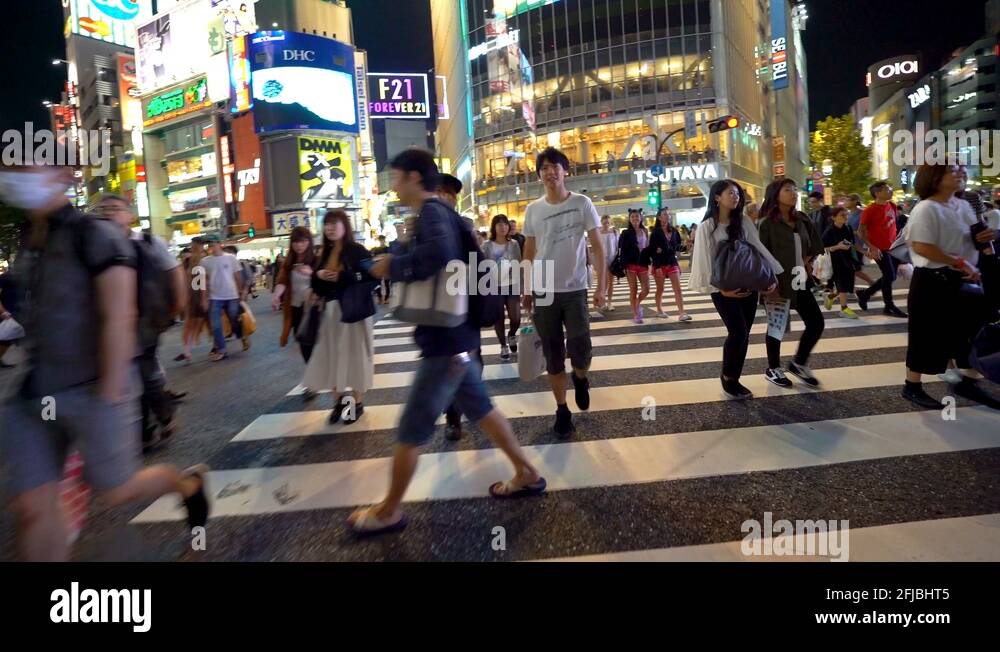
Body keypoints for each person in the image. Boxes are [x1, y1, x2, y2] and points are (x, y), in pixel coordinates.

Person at [0, 160, 209, 561]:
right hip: (33, 394)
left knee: (117, 488)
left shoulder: (92, 234)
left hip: (92, 387)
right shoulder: (29, 239)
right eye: (14, 170)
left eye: (30, 169)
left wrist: (111, 388)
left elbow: (119, 312)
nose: (18, 178)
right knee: (31, 507)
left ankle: (188, 486)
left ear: (62, 176)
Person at [354, 148, 545, 536]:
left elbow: (439, 255)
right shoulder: (435, 214)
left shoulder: (432, 211)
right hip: (456, 338)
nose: (392, 185)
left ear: (412, 177)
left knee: (411, 427)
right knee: (483, 410)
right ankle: (526, 472)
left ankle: (389, 510)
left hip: (445, 344)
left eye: (395, 177)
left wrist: (396, 265)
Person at [522, 147, 606, 438]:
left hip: (575, 288)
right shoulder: (533, 209)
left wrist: (601, 285)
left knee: (581, 347)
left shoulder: (582, 203)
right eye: (544, 168)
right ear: (539, 175)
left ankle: (580, 377)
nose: (550, 172)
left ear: (565, 171)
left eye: (555, 166)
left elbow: (597, 246)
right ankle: (562, 410)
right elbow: (529, 250)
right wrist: (526, 286)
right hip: (544, 289)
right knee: (553, 353)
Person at [901, 164, 999, 410]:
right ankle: (912, 386)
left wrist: (984, 238)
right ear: (935, 178)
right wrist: (960, 262)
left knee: (967, 332)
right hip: (932, 280)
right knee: (926, 334)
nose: (960, 174)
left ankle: (967, 381)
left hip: (962, 279)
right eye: (952, 171)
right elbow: (921, 246)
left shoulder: (962, 205)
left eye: (961, 170)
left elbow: (971, 235)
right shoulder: (926, 208)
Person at [96, 194, 187, 452]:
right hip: (114, 321)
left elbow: (174, 271)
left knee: (143, 373)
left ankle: (162, 416)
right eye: (104, 210)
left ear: (129, 215)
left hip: (146, 320)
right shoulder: (99, 244)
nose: (109, 213)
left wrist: (177, 305)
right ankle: (145, 429)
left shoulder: (148, 242)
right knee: (131, 374)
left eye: (115, 208)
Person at [690, 180, 782, 399]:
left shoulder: (743, 222)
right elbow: (703, 263)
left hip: (748, 285)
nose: (736, 197)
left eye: (738, 193)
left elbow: (758, 249)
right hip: (723, 289)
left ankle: (735, 377)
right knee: (737, 332)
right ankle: (728, 378)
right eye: (730, 193)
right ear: (717, 197)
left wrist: (774, 274)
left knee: (744, 334)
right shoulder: (707, 227)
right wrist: (720, 291)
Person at [300, 211, 375, 425]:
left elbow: (372, 276)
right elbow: (317, 288)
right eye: (327, 225)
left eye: (334, 224)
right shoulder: (323, 253)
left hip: (355, 313)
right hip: (331, 313)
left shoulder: (357, 250)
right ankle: (339, 403)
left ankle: (355, 405)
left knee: (355, 358)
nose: (330, 228)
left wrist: (343, 276)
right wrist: (318, 276)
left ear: (345, 226)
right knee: (332, 358)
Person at [758, 178, 826, 388]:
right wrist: (767, 285)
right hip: (777, 282)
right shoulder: (767, 223)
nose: (794, 193)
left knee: (816, 322)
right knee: (778, 326)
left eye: (795, 190)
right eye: (788, 190)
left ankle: (799, 362)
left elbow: (815, 245)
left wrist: (808, 261)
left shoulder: (802, 219)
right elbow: (761, 255)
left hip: (800, 278)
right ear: (775, 194)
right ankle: (773, 368)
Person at [857, 181, 907, 318]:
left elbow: (893, 227)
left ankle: (872, 297)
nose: (890, 191)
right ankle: (887, 304)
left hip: (893, 247)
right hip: (879, 249)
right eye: (887, 189)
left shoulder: (891, 205)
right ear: (877, 193)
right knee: (890, 275)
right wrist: (872, 247)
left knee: (889, 276)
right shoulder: (869, 210)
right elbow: (860, 232)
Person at [272, 226, 318, 372]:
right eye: (296, 242)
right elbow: (282, 281)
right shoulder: (288, 262)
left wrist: (312, 273)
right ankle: (313, 373)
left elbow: (325, 282)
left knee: (312, 341)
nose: (299, 245)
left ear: (309, 242)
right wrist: (276, 295)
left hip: (313, 308)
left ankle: (316, 374)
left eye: (303, 241)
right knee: (302, 341)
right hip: (295, 308)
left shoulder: (316, 261)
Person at [481, 214, 522, 361]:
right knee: (498, 318)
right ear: (494, 227)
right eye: (499, 224)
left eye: (505, 224)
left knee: (516, 318)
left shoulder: (514, 244)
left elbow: (519, 264)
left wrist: (522, 286)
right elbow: (481, 267)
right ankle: (503, 345)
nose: (503, 227)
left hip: (511, 285)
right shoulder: (486, 245)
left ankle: (512, 334)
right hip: (494, 286)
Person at [201, 235, 247, 361]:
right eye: (208, 244)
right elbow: (203, 281)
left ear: (220, 244)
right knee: (215, 324)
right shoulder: (204, 261)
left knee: (233, 318)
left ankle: (241, 334)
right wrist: (203, 298)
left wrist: (241, 291)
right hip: (214, 297)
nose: (210, 247)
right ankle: (222, 350)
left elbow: (237, 275)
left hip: (232, 295)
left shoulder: (230, 258)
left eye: (213, 244)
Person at [649, 207, 691, 321]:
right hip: (660, 264)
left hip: (672, 262)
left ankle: (682, 313)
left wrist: (684, 247)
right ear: (659, 217)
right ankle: (659, 310)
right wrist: (656, 266)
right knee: (660, 289)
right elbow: (653, 251)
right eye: (664, 214)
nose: (667, 216)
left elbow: (676, 246)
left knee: (678, 288)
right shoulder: (655, 232)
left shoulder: (673, 230)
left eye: (668, 214)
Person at [821, 206, 861, 319]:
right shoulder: (829, 231)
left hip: (848, 260)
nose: (845, 217)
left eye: (846, 215)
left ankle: (831, 297)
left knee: (848, 286)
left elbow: (852, 244)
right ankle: (844, 309)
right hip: (835, 262)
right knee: (842, 285)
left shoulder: (848, 228)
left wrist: (863, 253)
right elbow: (822, 248)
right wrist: (837, 247)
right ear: (833, 217)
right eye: (842, 215)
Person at [176, 237, 208, 362]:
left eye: (199, 245)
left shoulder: (202, 260)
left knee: (197, 321)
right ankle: (187, 349)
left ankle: (189, 346)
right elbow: (184, 278)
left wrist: (203, 297)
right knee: (190, 322)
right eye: (195, 245)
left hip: (196, 292)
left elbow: (201, 281)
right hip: (191, 293)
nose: (197, 248)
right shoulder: (188, 260)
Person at [619, 208, 650, 324]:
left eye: (637, 216)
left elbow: (647, 247)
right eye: (632, 217)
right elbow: (621, 250)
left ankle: (637, 304)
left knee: (646, 289)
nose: (635, 218)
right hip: (630, 264)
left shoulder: (645, 231)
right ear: (629, 219)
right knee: (633, 289)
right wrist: (623, 264)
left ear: (641, 218)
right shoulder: (626, 233)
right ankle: (636, 314)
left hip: (643, 263)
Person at [598, 214, 619, 310]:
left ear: (610, 222)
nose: (606, 224)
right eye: (604, 222)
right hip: (602, 259)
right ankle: (603, 302)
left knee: (611, 281)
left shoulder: (614, 232)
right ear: (601, 222)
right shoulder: (598, 232)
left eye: (608, 222)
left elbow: (617, 246)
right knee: (603, 282)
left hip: (612, 259)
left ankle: (610, 302)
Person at [370, 234, 392, 304]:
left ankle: (386, 298)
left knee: (386, 283)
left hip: (386, 268)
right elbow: (373, 258)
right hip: (379, 267)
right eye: (381, 240)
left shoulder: (388, 248)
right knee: (378, 283)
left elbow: (390, 257)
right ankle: (380, 298)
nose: (382, 241)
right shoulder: (376, 249)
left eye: (383, 240)